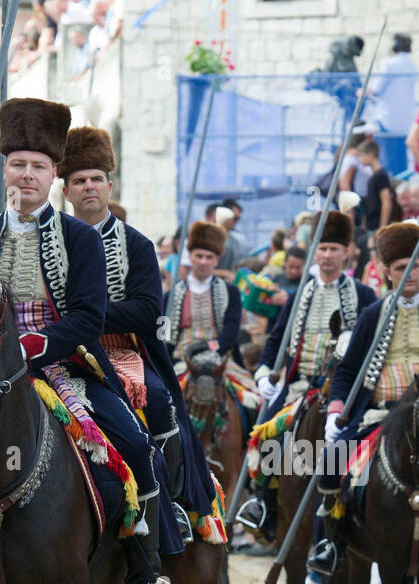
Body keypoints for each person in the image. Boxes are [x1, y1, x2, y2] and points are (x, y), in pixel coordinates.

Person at [0, 97, 183, 584]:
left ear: (52, 173)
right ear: (4, 171)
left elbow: (88, 317)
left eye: (38, 166)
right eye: (18, 165)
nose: (28, 175)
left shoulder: (81, 239)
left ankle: (146, 578)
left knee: (131, 442)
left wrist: (37, 343)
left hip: (65, 369)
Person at [59, 125, 217, 552]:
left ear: (109, 185)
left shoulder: (137, 245)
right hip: (58, 350)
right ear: (66, 191)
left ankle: (175, 505)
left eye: (95, 178)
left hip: (119, 349)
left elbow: (148, 312)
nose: (88, 186)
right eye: (79, 180)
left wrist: (88, 316)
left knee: (162, 400)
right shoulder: (49, 240)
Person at [308, 222, 419, 574]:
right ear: (386, 272)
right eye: (399, 267)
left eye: (415, 264)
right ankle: (330, 543)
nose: (409, 273)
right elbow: (346, 371)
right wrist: (335, 411)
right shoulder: (372, 314)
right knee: (332, 460)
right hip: (378, 416)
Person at [241, 200, 375, 538]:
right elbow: (276, 339)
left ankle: (346, 516)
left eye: (334, 248)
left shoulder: (363, 294)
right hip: (300, 386)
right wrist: (262, 372)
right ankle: (265, 504)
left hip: (343, 391)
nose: (327, 255)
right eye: (322, 248)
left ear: (347, 252)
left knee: (354, 442)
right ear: (314, 251)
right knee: (268, 430)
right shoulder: (299, 293)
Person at [162, 218, 242, 363]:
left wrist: (211, 348)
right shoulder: (170, 296)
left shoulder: (231, 292)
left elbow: (231, 330)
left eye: (209, 257)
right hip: (181, 359)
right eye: (199, 256)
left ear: (216, 260)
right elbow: (163, 335)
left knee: (248, 387)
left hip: (219, 357)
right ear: (190, 257)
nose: (203, 262)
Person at [367, 33, 417, 175]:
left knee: (387, 160)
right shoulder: (412, 65)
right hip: (405, 122)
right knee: (401, 161)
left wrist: (361, 91)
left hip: (387, 120)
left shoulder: (389, 64)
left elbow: (375, 90)